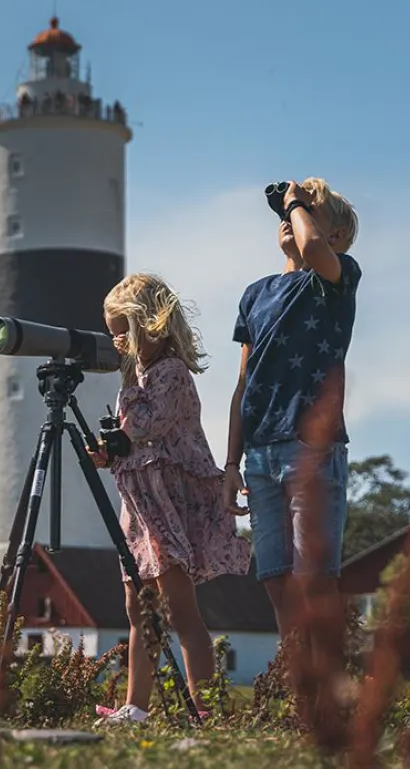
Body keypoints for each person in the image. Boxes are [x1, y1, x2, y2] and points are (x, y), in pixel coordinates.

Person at [88, 272, 252, 724]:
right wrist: (110, 452)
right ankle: (135, 706)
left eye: (123, 331)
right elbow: (135, 441)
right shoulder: (140, 377)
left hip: (167, 507)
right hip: (140, 508)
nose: (117, 341)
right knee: (139, 610)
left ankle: (204, 709)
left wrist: (124, 413)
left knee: (180, 611)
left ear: (149, 325)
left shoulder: (170, 374)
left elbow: (145, 427)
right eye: (112, 333)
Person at [222, 178, 362, 640]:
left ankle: (328, 694)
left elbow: (314, 249)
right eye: (287, 209)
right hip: (260, 451)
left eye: (304, 210)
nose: (290, 214)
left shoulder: (338, 276)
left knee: (314, 577)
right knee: (277, 578)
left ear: (335, 237)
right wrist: (230, 462)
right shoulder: (255, 294)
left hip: (311, 450)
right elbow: (243, 383)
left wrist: (296, 199)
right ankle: (299, 683)